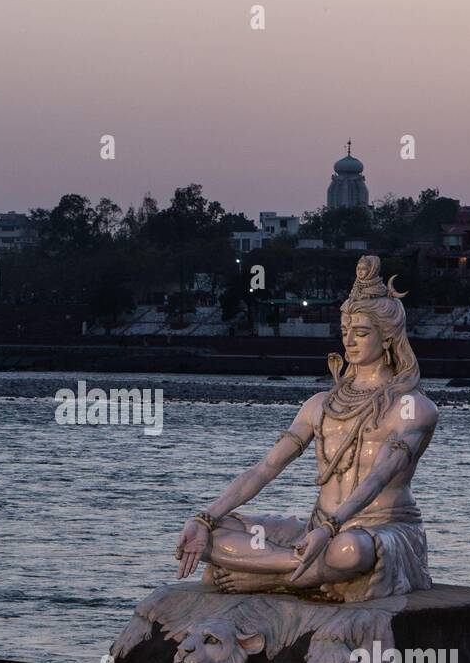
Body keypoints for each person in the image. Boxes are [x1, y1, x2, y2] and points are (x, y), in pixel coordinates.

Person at [174, 256, 436, 602]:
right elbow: (266, 468)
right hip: (316, 531)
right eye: (345, 332)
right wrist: (205, 517)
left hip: (378, 530)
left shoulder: (411, 407)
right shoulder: (319, 404)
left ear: (387, 338)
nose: (350, 342)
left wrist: (332, 527)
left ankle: (271, 578)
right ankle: (298, 570)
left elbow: (378, 478)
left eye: (361, 333)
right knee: (212, 537)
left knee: (349, 553)